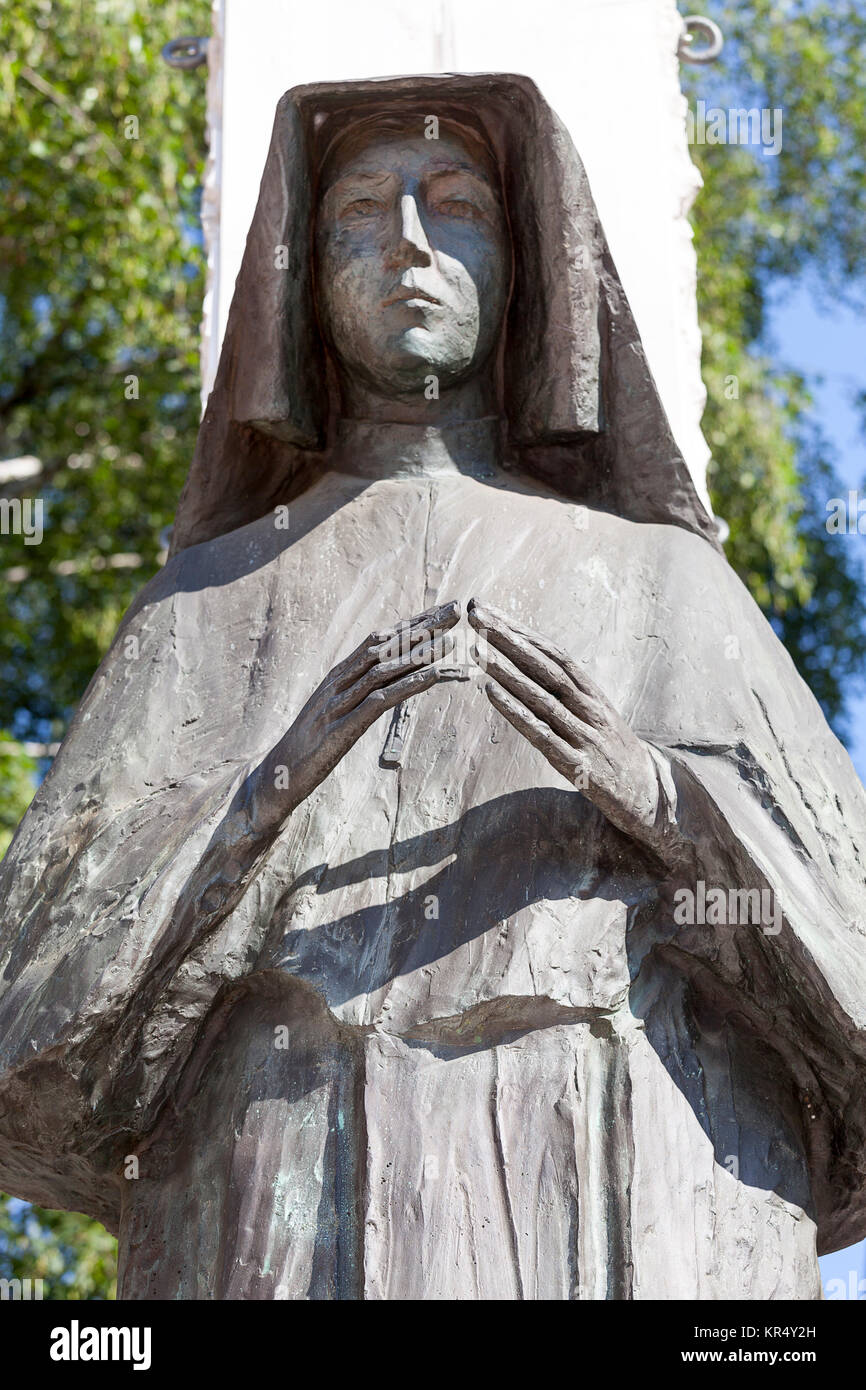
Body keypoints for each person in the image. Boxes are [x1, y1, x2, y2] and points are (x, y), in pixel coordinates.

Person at [1, 74, 865, 1300]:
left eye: (454, 204)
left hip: (613, 1163)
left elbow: (845, 946)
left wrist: (660, 800)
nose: (409, 240)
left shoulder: (665, 584)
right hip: (279, 1179)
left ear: (525, 272)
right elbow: (33, 1001)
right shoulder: (208, 601)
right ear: (305, 270)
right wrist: (271, 788)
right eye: (361, 209)